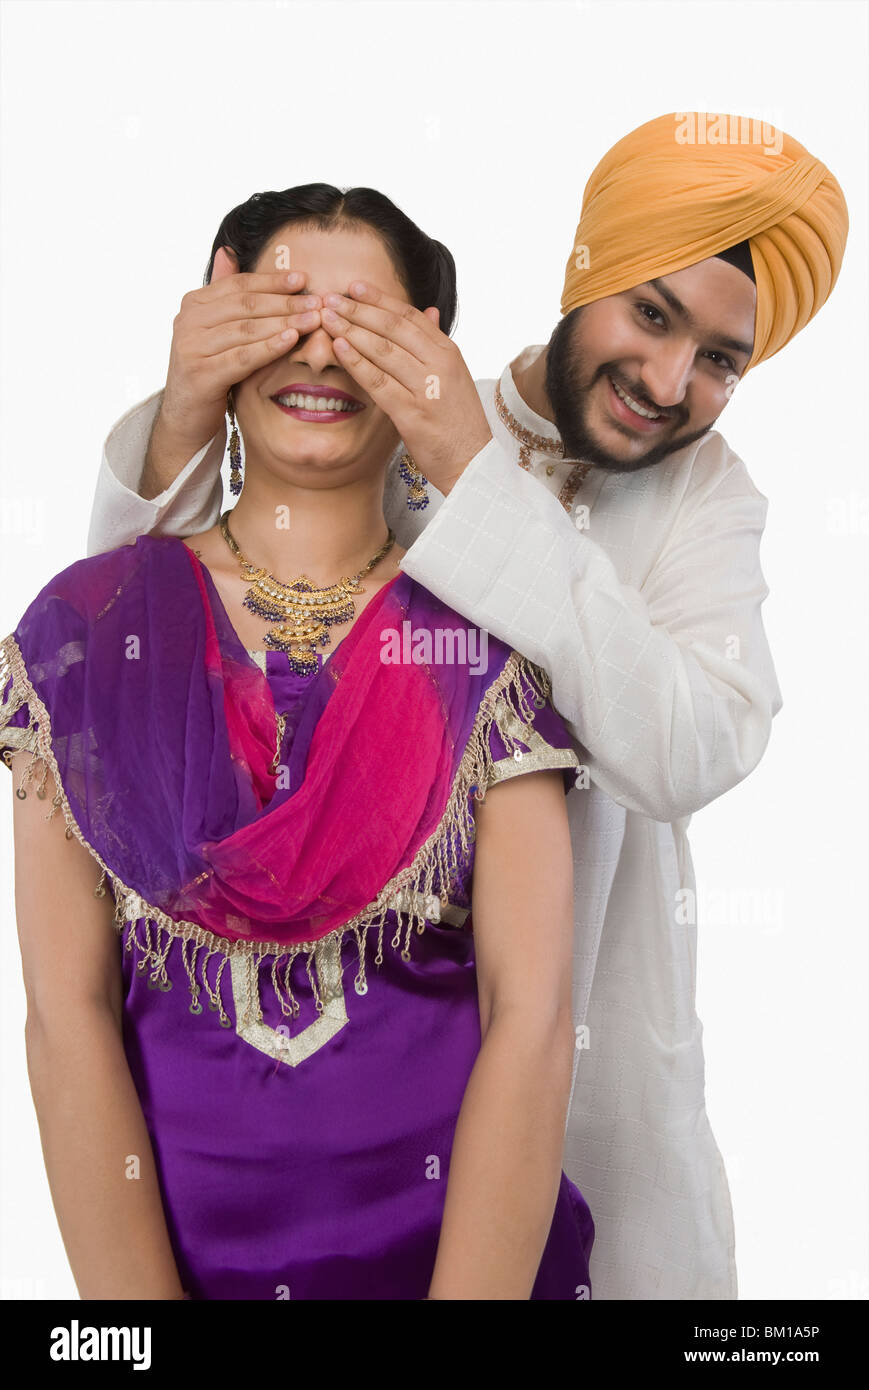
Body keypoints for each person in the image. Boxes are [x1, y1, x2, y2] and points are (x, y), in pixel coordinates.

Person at [86, 112, 849, 1300]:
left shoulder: (703, 499)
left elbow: (690, 746)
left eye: (717, 360)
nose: (666, 382)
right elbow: (132, 681)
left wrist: (471, 473)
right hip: (353, 1164)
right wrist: (186, 414)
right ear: (580, 274)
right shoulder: (397, 414)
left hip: (609, 1134)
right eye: (650, 315)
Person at [0, 189, 596, 1301]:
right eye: (281, 309)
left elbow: (534, 1020)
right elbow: (61, 1014)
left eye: (362, 318)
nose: (318, 349)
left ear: (429, 362)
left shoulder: (489, 648)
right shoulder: (87, 633)